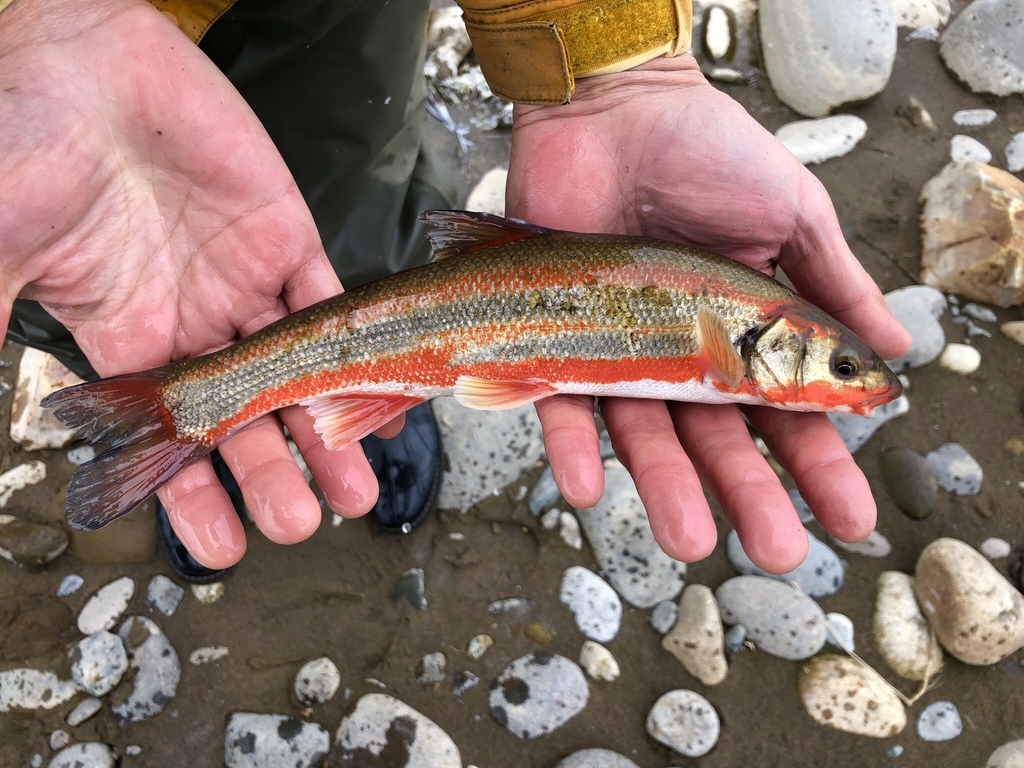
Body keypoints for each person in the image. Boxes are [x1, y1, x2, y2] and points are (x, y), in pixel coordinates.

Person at [0, 0, 910, 580]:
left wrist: (609, 54)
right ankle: (175, 404)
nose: (855, 384)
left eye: (842, 367)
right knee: (111, 260)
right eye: (839, 365)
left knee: (343, 171)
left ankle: (294, 405)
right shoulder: (731, 332)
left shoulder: (735, 318)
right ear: (783, 338)